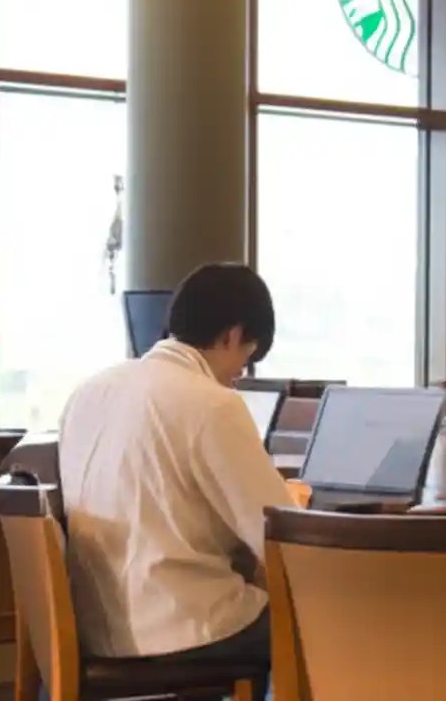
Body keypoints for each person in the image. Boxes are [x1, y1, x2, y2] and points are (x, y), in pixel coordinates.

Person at [57, 263, 295, 698]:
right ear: (233, 335)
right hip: (182, 627)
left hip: (90, 624)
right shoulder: (212, 404)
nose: (241, 372)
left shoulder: (89, 390)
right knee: (315, 622)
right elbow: (281, 541)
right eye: (248, 356)